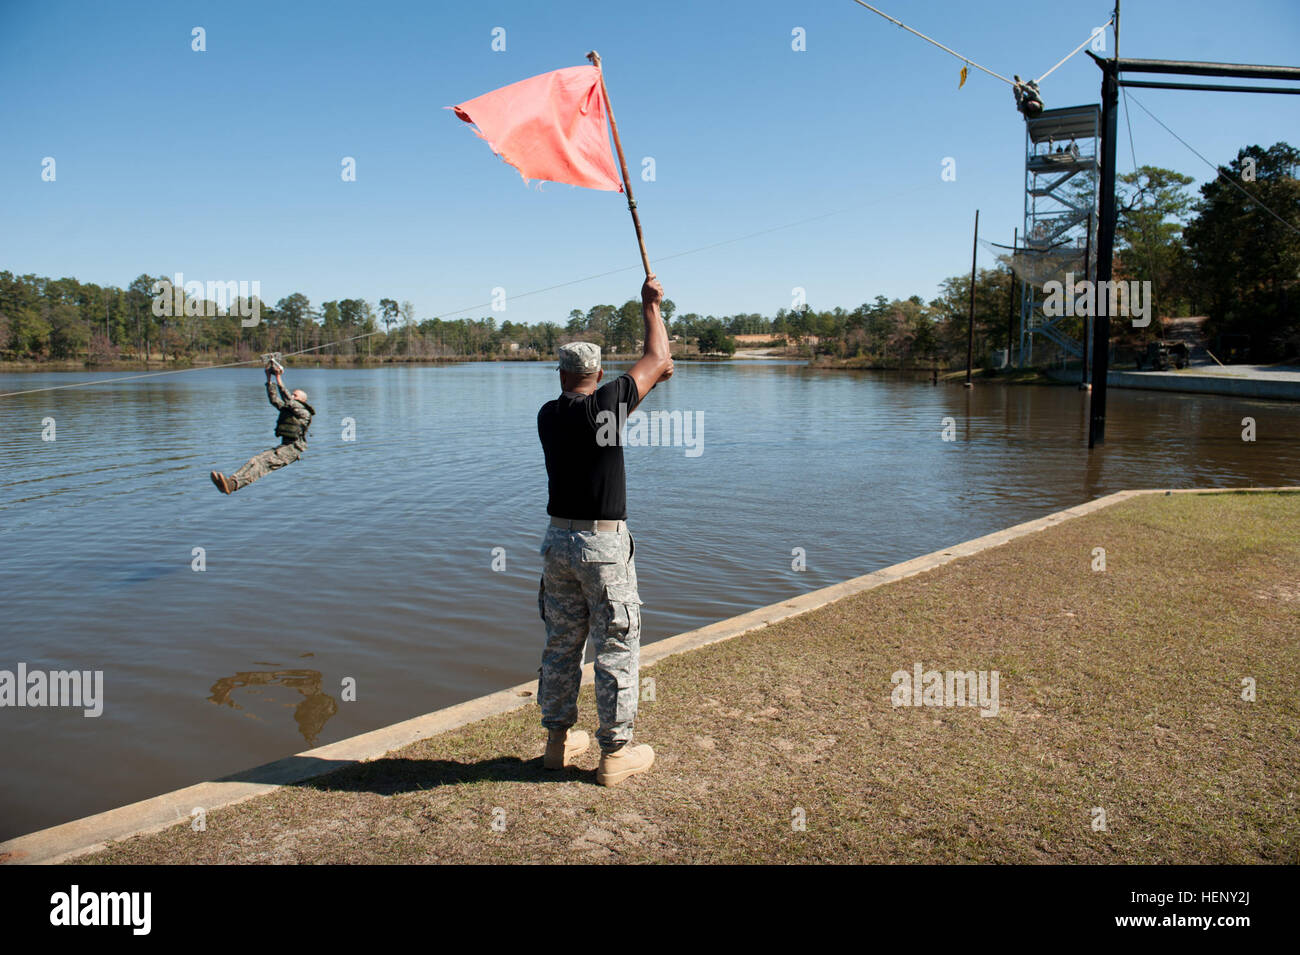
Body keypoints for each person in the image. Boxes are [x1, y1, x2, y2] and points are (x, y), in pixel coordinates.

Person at [535, 274, 673, 785]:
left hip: (557, 543)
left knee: (562, 642)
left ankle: (557, 741)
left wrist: (654, 375)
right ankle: (615, 752)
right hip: (603, 544)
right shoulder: (607, 406)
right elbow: (655, 358)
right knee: (616, 644)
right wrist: (650, 306)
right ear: (597, 371)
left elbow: (652, 370)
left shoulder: (549, 415)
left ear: (561, 375)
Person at [210, 365, 315, 494]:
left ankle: (233, 485)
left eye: (295, 396)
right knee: (255, 461)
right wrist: (269, 378)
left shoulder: (304, 412)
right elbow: (274, 399)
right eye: (293, 395)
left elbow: (286, 398)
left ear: (303, 401)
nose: (292, 397)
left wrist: (278, 377)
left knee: (263, 464)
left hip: (293, 449)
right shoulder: (288, 408)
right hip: (284, 446)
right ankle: (230, 483)